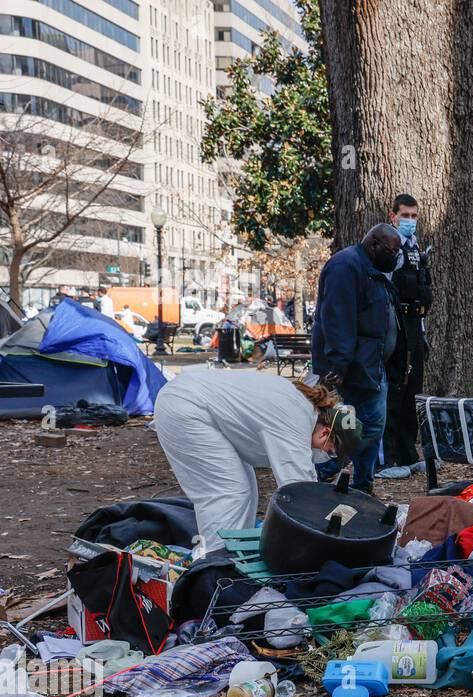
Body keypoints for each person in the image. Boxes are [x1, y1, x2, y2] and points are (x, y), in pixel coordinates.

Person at [153, 370, 362, 556]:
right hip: (186, 407)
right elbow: (299, 489)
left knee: (246, 490)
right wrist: (327, 527)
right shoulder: (296, 420)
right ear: (325, 432)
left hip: (190, 398)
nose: (326, 455)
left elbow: (304, 480)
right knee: (228, 493)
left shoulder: (303, 410)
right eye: (331, 450)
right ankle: (212, 565)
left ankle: (232, 554)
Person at [310, 223, 401, 493]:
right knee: (364, 426)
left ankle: (363, 483)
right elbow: (336, 318)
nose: (395, 257)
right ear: (374, 244)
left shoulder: (372, 271)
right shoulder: (346, 265)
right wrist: (338, 361)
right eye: (392, 251)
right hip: (351, 368)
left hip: (372, 365)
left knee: (366, 427)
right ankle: (324, 471)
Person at [377, 194, 434, 481]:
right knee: (393, 394)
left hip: (414, 327)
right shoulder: (388, 246)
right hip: (395, 328)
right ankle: (386, 459)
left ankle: (407, 453)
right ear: (393, 215)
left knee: (412, 392)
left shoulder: (416, 249)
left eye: (414, 215)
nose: (410, 220)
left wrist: (420, 334)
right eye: (405, 215)